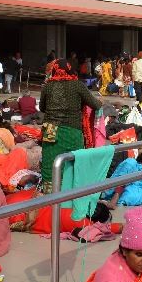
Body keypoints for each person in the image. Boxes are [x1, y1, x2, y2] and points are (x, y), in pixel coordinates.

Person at [39, 59, 103, 191]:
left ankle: (50, 195)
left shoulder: (48, 86)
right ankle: (71, 193)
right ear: (69, 69)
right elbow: (95, 105)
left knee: (50, 162)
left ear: (55, 70)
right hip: (72, 131)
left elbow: (42, 108)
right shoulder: (77, 85)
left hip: (51, 130)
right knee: (73, 162)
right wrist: (100, 102)